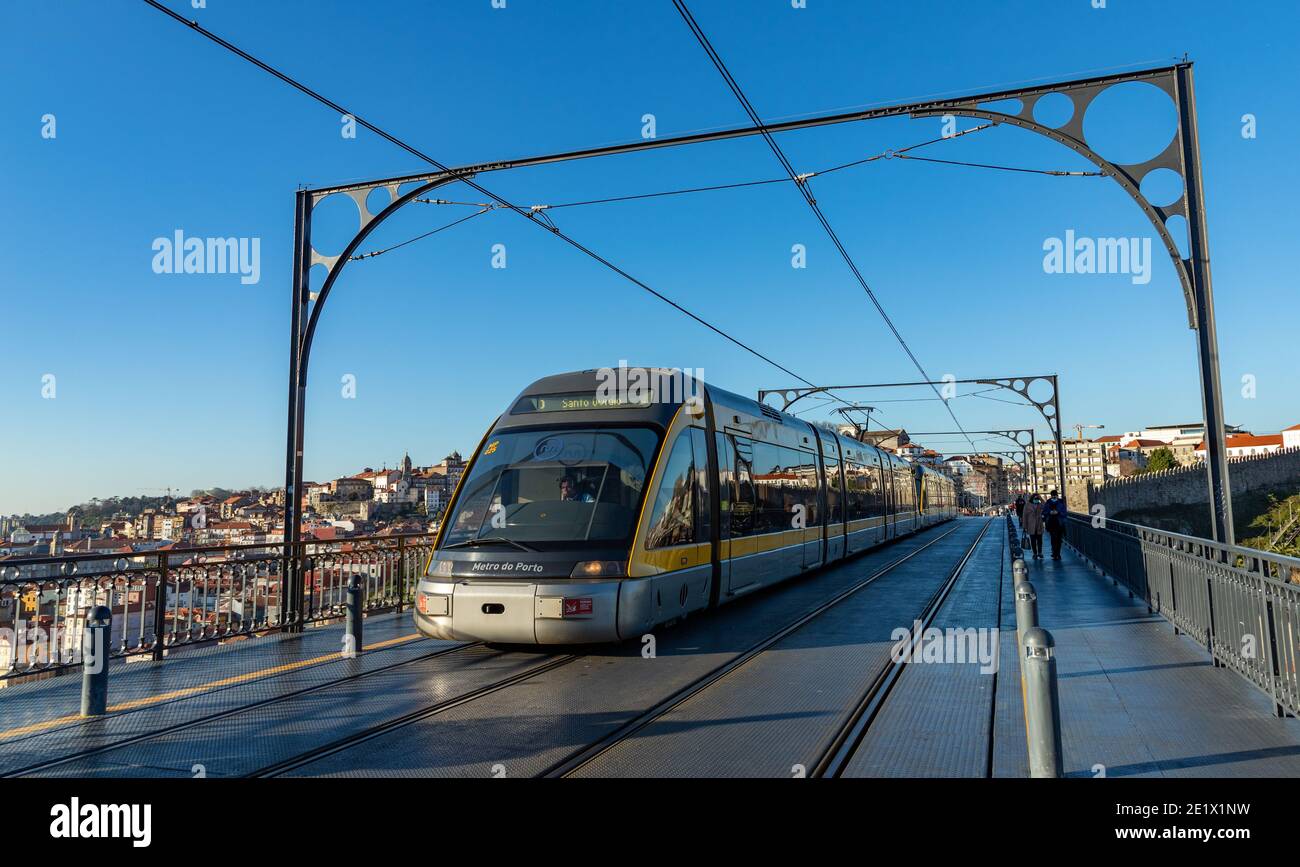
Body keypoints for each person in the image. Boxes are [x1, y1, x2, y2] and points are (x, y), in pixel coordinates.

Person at [1043, 489, 1068, 560]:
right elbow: (1044, 511)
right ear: (1051, 496)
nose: (1054, 497)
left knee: (1059, 539)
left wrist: (1058, 512)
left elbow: (1065, 512)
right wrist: (1049, 512)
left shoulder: (1061, 502)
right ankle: (1054, 553)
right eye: (1053, 496)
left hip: (1059, 523)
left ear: (1057, 495)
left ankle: (1058, 553)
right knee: (1053, 539)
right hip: (1051, 523)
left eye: (1055, 495)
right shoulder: (1048, 502)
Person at [1021, 493, 1045, 560]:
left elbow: (1045, 504)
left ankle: (1040, 552)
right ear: (1032, 499)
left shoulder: (1040, 505)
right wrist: (1024, 526)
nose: (1036, 500)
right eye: (1035, 499)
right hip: (1031, 525)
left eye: (1037, 499)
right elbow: (1024, 516)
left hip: (1039, 525)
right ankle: (1035, 553)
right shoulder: (1027, 505)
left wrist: (1040, 497)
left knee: (1040, 540)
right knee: (1033, 541)